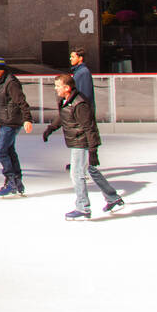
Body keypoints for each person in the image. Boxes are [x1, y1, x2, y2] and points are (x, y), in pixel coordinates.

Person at [44, 73, 125, 220]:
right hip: (78, 140)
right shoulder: (65, 100)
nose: (55, 89)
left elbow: (90, 128)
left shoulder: (79, 104)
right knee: (91, 170)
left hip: (82, 142)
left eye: (58, 86)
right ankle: (113, 198)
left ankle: (83, 207)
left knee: (76, 174)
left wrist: (93, 152)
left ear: (67, 88)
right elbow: (64, 115)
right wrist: (51, 128)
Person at [0, 57, 33, 196]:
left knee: (1, 152)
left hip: (11, 122)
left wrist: (27, 119)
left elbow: (22, 102)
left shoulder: (11, 83)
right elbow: (0, 103)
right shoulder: (0, 81)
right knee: (9, 151)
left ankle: (11, 181)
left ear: (1, 69)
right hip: (5, 121)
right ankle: (18, 182)